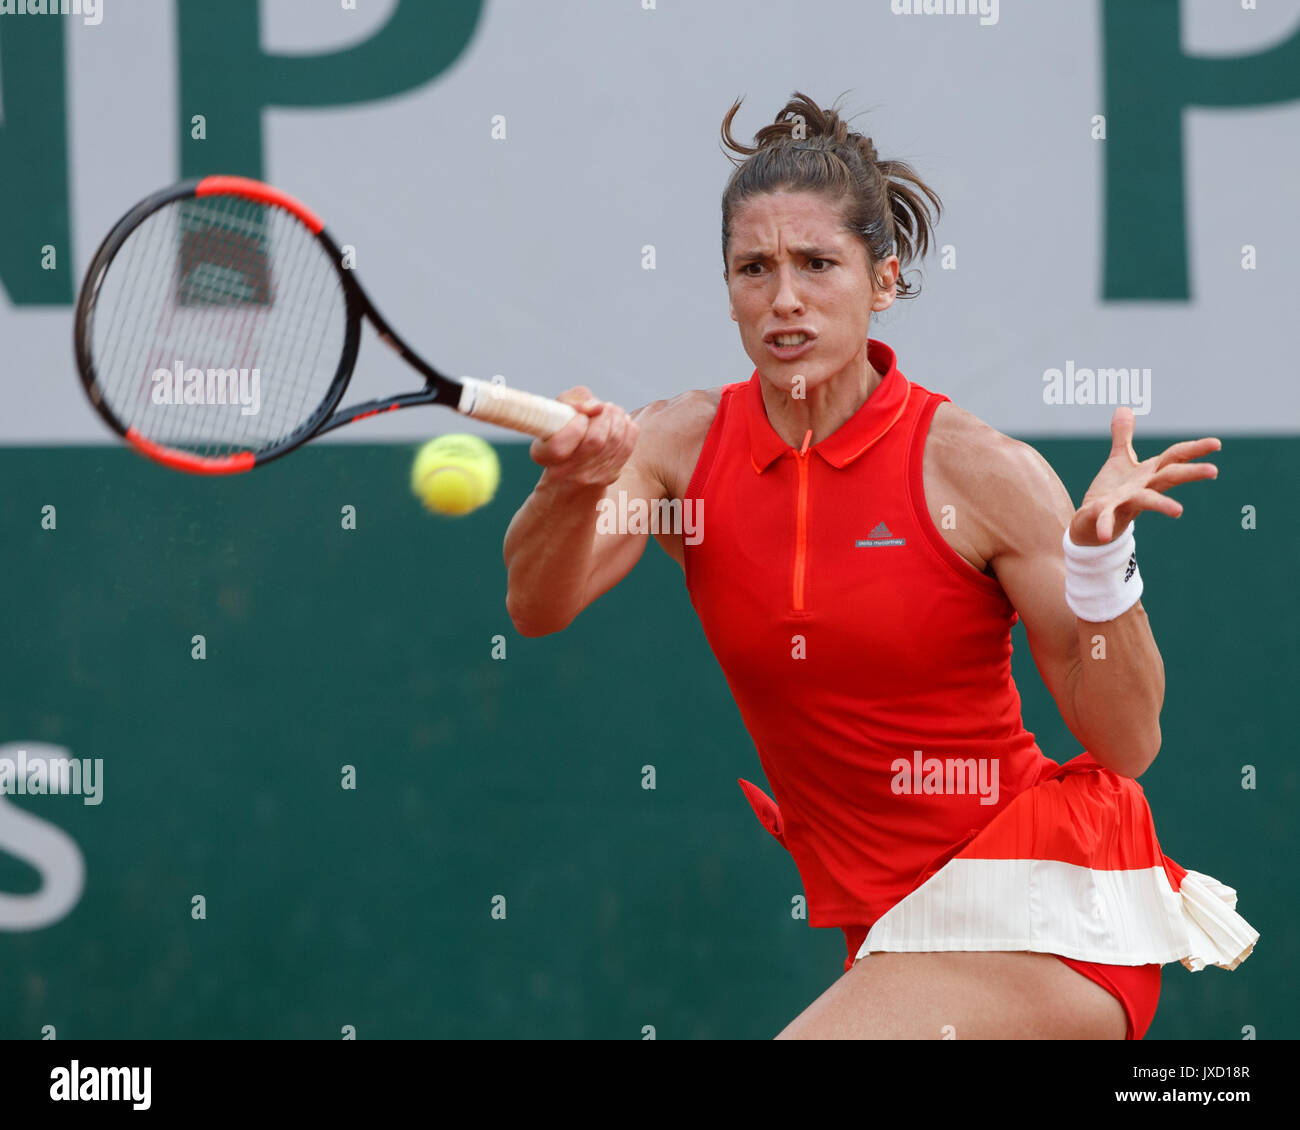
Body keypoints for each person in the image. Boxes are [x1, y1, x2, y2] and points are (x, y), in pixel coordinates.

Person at [502, 91, 1257, 1039]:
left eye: (818, 264)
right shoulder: (677, 448)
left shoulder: (982, 471)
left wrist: (1104, 570)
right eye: (755, 268)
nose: (784, 297)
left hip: (1038, 905)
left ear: (884, 279)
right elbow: (537, 603)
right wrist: (575, 485)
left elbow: (1129, 745)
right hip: (895, 935)